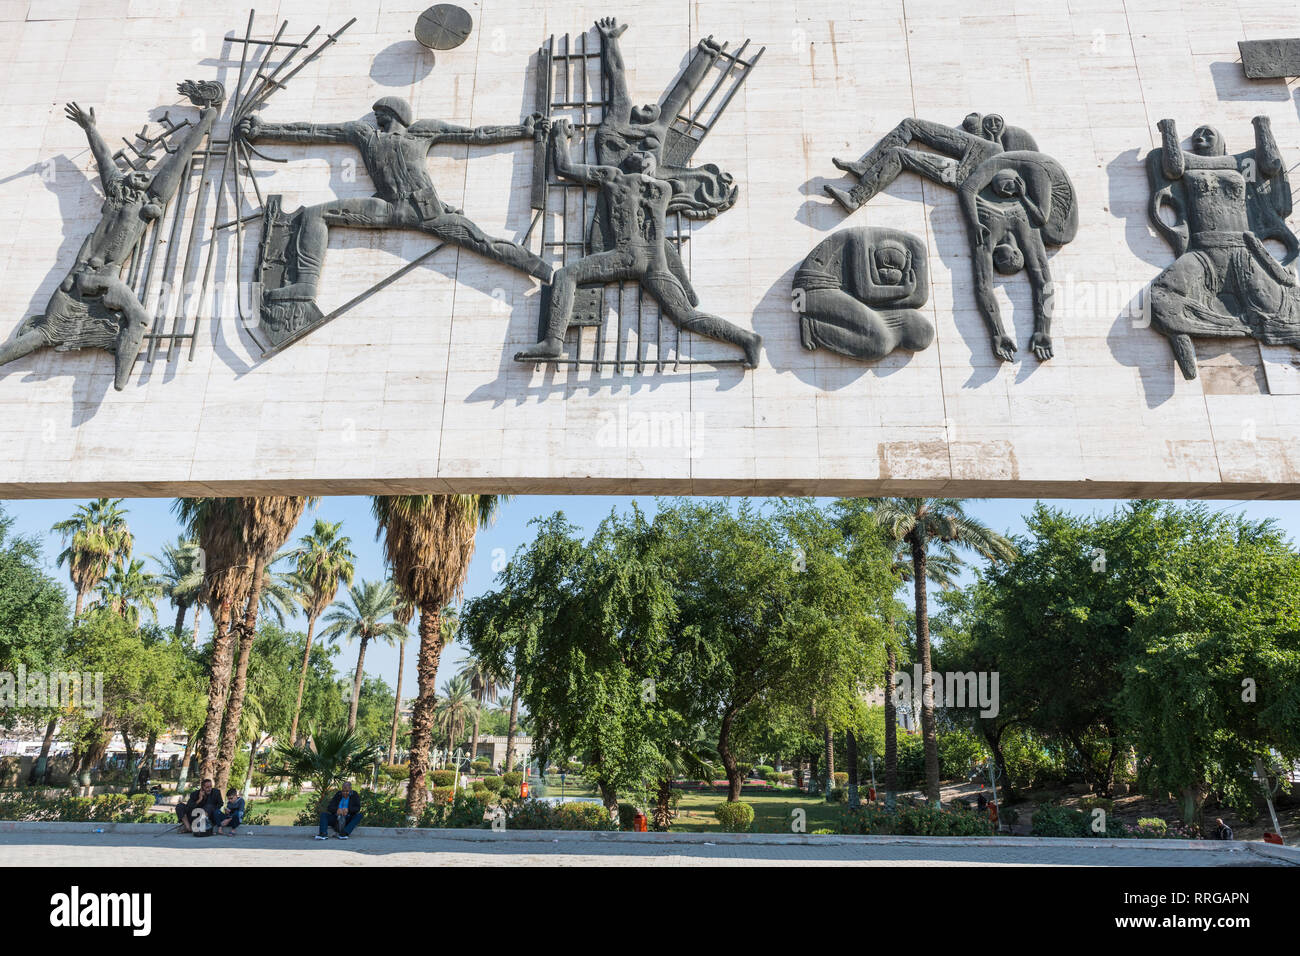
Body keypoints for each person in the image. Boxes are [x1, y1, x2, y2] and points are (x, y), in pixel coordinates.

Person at [0, 81, 222, 390]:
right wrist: (89, 128)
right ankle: (119, 364)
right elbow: (104, 159)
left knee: (125, 320)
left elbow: (182, 156)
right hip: (88, 278)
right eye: (138, 173)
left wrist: (208, 120)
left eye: (148, 176)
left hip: (99, 280)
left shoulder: (150, 200)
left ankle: (119, 374)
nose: (144, 174)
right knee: (51, 332)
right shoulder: (118, 192)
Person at [237, 97, 552, 312]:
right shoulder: (364, 135)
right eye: (376, 112)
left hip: (427, 211)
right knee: (317, 214)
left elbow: (476, 135)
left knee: (483, 242)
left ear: (396, 113)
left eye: (382, 111)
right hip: (387, 207)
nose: (377, 115)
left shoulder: (423, 132)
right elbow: (314, 131)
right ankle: (305, 285)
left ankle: (545, 271)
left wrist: (522, 131)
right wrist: (264, 131)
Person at [514, 121, 761, 367]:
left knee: (566, 275)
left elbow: (564, 167)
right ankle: (747, 339)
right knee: (686, 315)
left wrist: (559, 136)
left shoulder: (614, 176)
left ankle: (553, 342)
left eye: (639, 153)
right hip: (656, 265)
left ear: (641, 162)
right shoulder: (664, 189)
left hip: (624, 257)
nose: (634, 152)